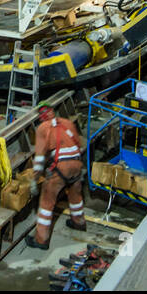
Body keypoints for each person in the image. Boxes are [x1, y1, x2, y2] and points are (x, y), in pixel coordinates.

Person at [25, 103, 87, 250]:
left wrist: (35, 180)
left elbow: (39, 158)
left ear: (41, 117)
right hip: (77, 165)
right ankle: (79, 222)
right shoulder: (67, 123)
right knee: (75, 195)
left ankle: (41, 240)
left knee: (47, 203)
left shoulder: (42, 128)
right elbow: (78, 144)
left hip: (60, 169)